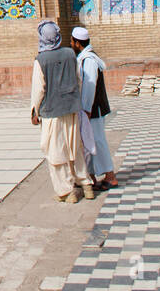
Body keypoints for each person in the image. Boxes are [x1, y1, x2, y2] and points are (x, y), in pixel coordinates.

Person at [30, 18, 94, 203]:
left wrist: (34, 111)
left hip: (51, 113)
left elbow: (38, 89)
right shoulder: (69, 54)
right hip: (71, 109)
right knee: (75, 147)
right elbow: (78, 80)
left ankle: (67, 191)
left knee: (56, 151)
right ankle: (86, 184)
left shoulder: (40, 60)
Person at [71, 26, 118, 189]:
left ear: (77, 43)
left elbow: (89, 86)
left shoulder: (89, 60)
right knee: (92, 142)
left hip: (93, 108)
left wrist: (86, 109)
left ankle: (110, 176)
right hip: (91, 108)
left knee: (98, 141)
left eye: (72, 41)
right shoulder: (87, 58)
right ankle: (92, 175)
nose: (71, 43)